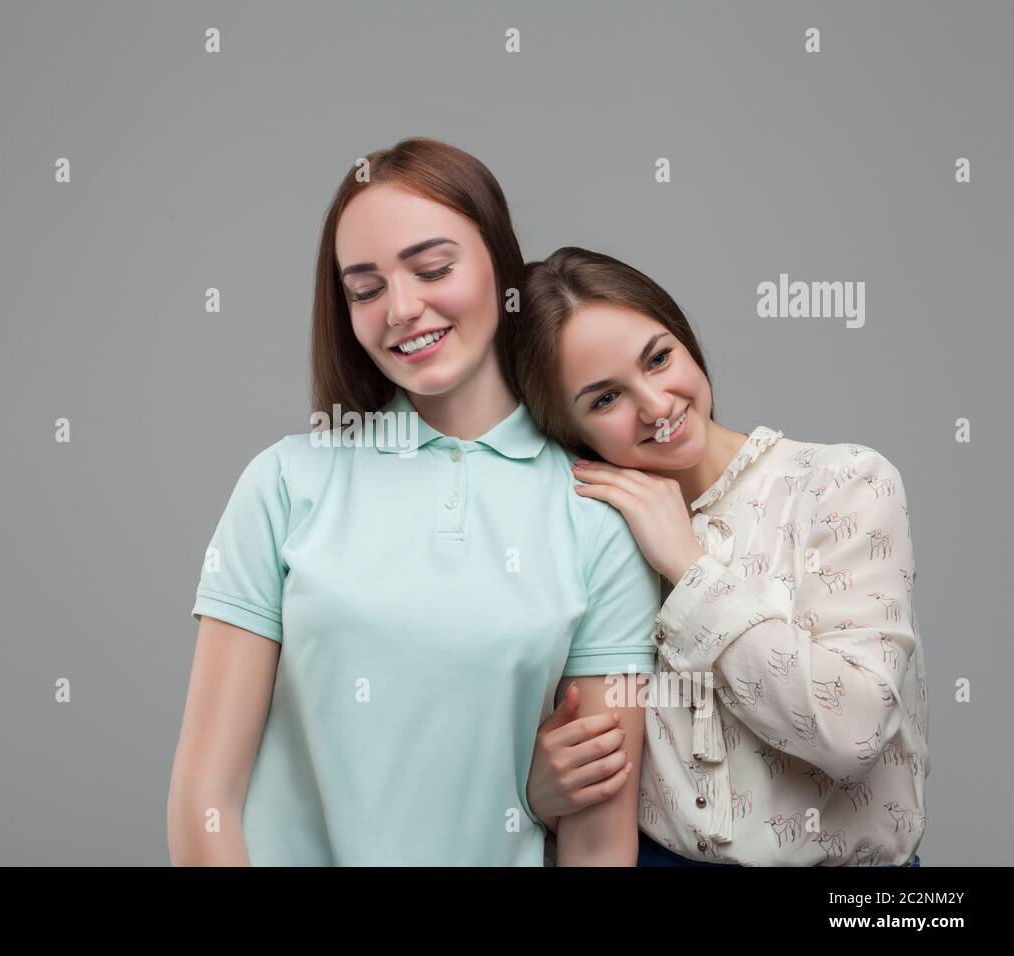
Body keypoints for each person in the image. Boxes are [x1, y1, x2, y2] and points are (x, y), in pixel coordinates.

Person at [167, 141, 659, 865]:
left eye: (432, 269)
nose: (401, 309)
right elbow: (204, 796)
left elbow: (597, 836)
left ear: (500, 264)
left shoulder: (595, 514)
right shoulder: (284, 484)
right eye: (365, 290)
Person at [517, 247, 928, 866]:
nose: (656, 406)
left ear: (685, 340)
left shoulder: (844, 483)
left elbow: (855, 732)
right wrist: (540, 798)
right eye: (605, 399)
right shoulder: (593, 540)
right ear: (570, 431)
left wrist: (688, 568)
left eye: (659, 359)